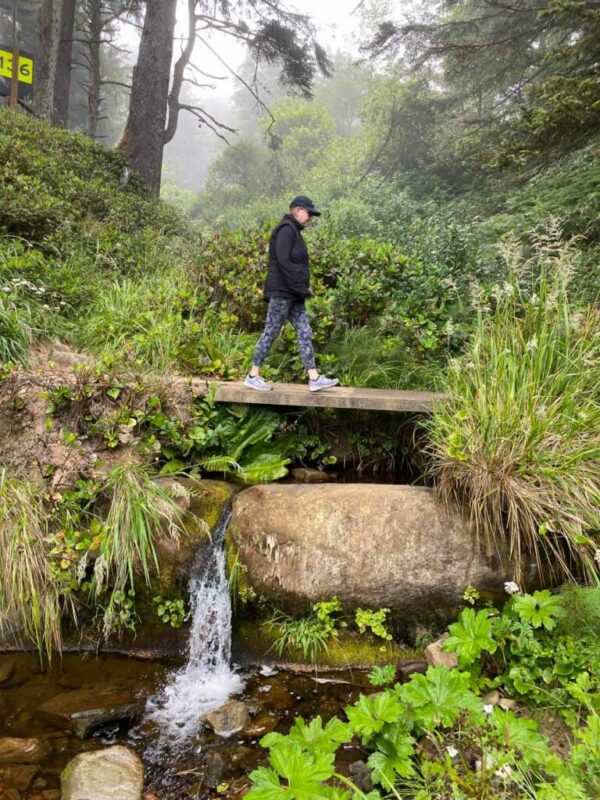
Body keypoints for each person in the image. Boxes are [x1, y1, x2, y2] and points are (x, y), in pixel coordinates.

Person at [244, 195, 339, 393]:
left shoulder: (295, 231)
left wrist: (301, 289)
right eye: (309, 213)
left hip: (294, 293)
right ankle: (253, 375)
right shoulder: (286, 230)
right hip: (282, 291)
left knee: (304, 330)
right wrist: (299, 286)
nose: (310, 218)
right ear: (297, 210)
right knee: (271, 331)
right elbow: (284, 262)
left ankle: (314, 378)